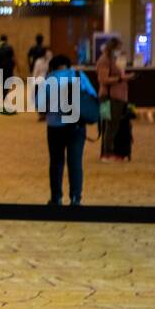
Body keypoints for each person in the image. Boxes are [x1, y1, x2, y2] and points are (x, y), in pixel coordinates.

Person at [37, 55, 96, 206]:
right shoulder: (78, 75)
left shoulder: (48, 80)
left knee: (56, 162)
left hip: (55, 127)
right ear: (68, 65)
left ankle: (56, 198)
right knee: (75, 163)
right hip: (76, 127)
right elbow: (93, 95)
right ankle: (75, 198)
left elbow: (40, 107)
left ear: (52, 67)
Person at [96, 36, 133, 161]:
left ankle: (107, 152)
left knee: (110, 125)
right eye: (118, 48)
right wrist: (121, 79)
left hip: (113, 96)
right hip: (108, 97)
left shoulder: (111, 60)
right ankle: (107, 152)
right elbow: (103, 79)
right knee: (110, 125)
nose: (120, 50)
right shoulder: (104, 60)